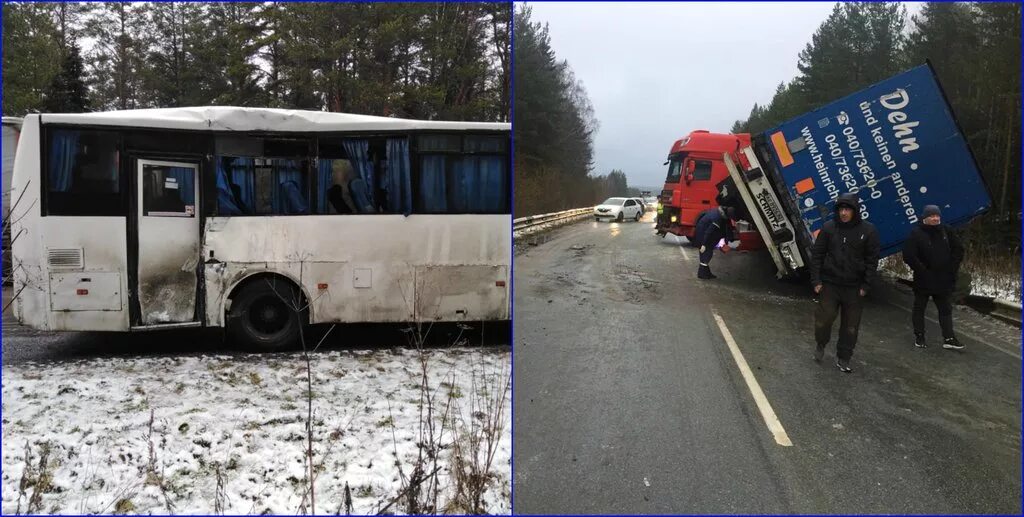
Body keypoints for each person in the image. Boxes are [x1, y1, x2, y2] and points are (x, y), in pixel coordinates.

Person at [810, 193, 880, 373]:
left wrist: (866, 285)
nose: (844, 213)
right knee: (823, 320)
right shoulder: (828, 228)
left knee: (850, 326)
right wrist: (816, 280)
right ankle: (821, 343)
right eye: (841, 209)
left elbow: (872, 260)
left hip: (854, 287)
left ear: (855, 211)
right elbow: (817, 255)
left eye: (847, 209)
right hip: (830, 284)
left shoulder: (868, 231)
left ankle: (844, 357)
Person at [901, 205, 965, 350]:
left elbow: (958, 250)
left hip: (943, 278)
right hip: (923, 279)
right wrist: (922, 270)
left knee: (945, 309)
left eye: (937, 216)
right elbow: (909, 255)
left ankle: (949, 338)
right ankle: (920, 336)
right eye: (932, 216)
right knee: (919, 308)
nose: (935, 218)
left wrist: (951, 268)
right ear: (925, 218)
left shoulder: (946, 231)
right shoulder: (916, 234)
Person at [693, 205, 735, 279]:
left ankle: (706, 273)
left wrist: (726, 240)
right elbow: (709, 232)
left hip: (702, 232)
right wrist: (704, 244)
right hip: (703, 236)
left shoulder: (718, 213)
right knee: (707, 254)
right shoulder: (717, 219)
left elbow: (725, 228)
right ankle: (702, 274)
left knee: (706, 254)